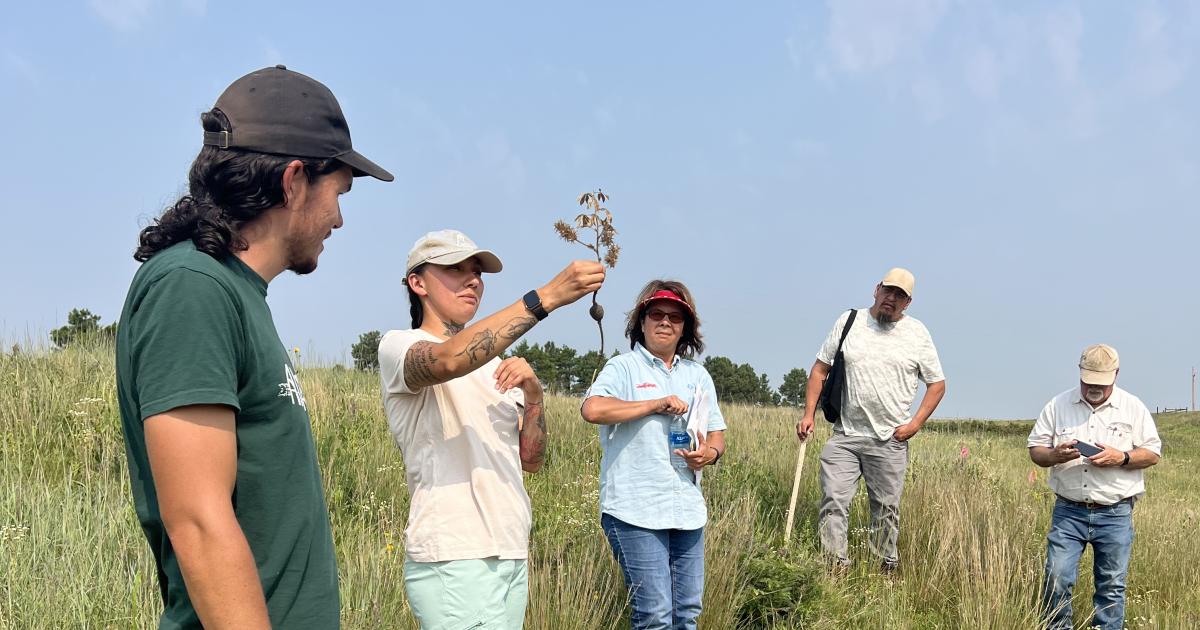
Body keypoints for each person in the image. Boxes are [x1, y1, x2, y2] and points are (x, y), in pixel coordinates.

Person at [115, 66, 393, 629]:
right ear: (293, 181)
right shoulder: (192, 289)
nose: (339, 218)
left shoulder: (233, 292)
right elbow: (198, 519)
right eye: (339, 193)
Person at [378, 229, 605, 629]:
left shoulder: (496, 364)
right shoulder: (400, 345)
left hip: (510, 548)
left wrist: (534, 398)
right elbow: (448, 360)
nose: (472, 280)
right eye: (455, 269)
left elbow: (531, 461)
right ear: (417, 283)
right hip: (453, 552)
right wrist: (546, 297)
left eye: (477, 271)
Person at [581, 280, 727, 630]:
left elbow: (717, 434)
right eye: (656, 314)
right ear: (641, 322)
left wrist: (709, 454)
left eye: (675, 317)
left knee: (687, 613)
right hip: (635, 509)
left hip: (687, 509)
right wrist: (654, 404)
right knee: (654, 615)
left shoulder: (697, 375)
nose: (665, 322)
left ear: (685, 328)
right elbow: (593, 409)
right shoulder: (623, 368)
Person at [796, 267, 946, 574]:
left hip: (889, 439)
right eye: (888, 291)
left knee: (886, 510)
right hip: (845, 434)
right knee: (834, 500)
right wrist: (809, 413)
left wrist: (914, 425)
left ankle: (884, 568)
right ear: (876, 289)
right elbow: (819, 370)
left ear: (908, 302)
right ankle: (835, 566)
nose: (891, 299)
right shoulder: (849, 322)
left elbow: (937, 384)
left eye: (899, 296)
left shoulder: (917, 333)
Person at [1028, 344, 1161, 630]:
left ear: (1116, 375)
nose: (1093, 388)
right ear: (1079, 372)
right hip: (1068, 512)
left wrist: (1121, 457)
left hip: (1115, 512)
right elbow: (1035, 449)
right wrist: (1054, 455)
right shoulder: (1058, 405)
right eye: (1088, 381)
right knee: (1056, 578)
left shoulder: (1133, 407)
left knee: (1111, 587)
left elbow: (1152, 453)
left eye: (1101, 383)